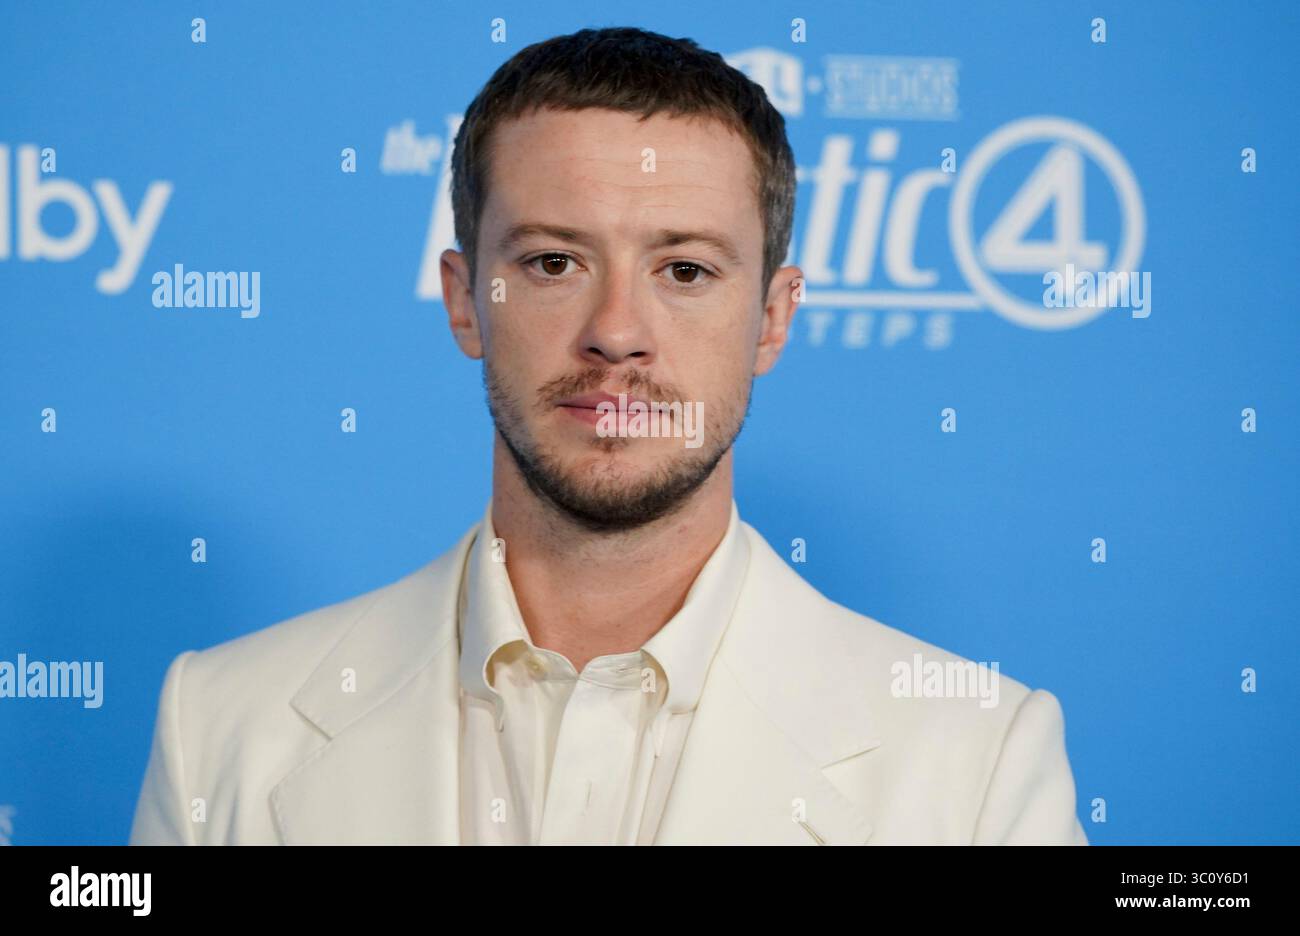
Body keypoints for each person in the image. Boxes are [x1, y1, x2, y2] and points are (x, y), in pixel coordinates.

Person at [129, 26, 1087, 845]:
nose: (617, 331)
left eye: (684, 270)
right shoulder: (221, 727)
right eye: (553, 261)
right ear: (466, 302)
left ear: (772, 319)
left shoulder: (976, 764)